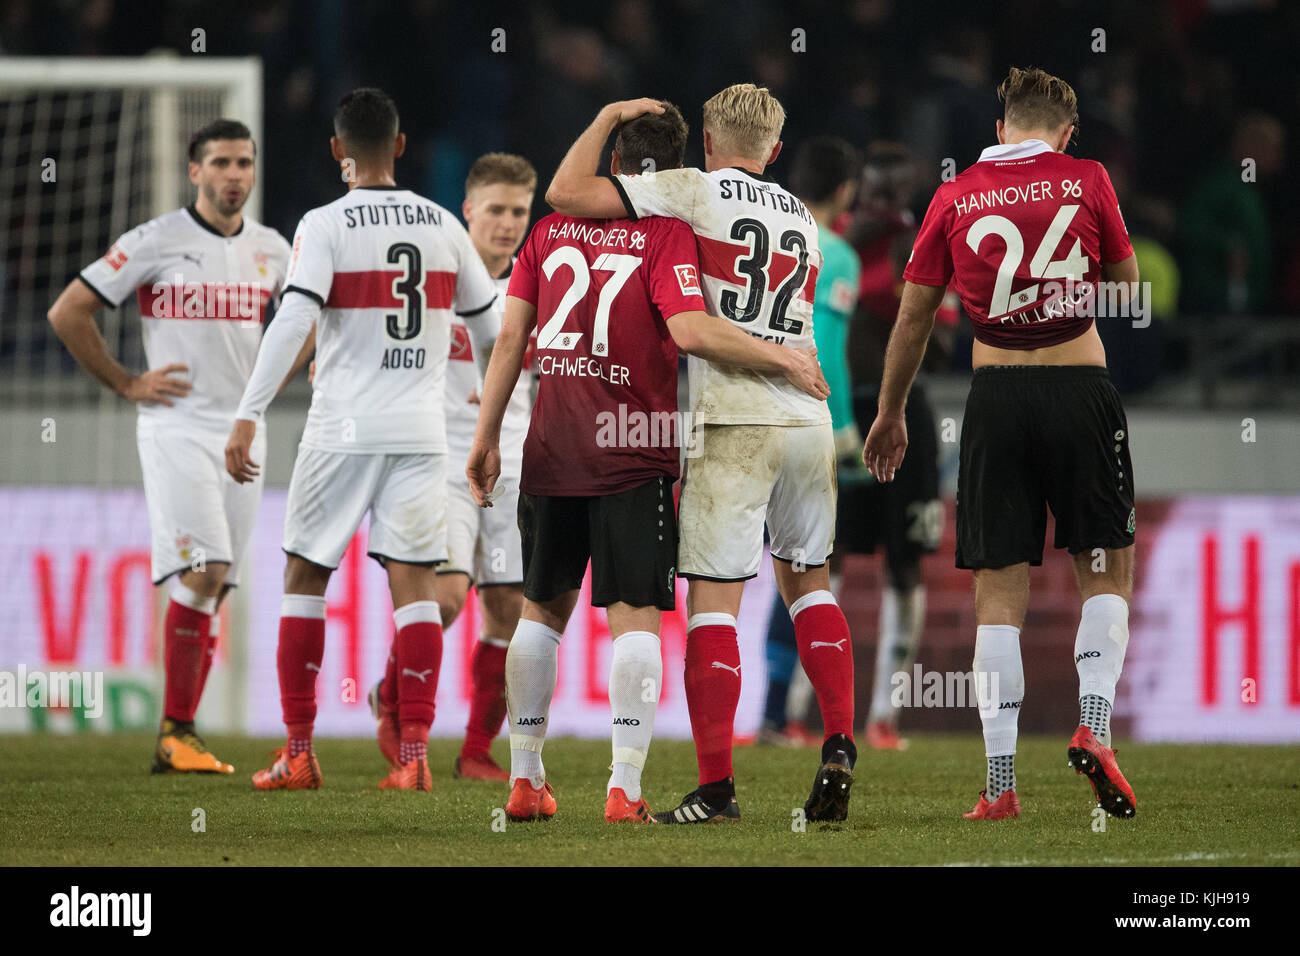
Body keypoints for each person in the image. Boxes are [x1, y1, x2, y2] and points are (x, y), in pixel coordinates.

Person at [466, 101, 828, 823]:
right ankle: (624, 788)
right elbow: (692, 330)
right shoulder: (667, 234)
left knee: (540, 612)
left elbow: (511, 341)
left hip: (550, 446)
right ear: (675, 165)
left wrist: (484, 437)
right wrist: (781, 359)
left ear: (613, 161)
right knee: (635, 619)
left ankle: (526, 780)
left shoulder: (545, 232)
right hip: (633, 448)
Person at [863, 66, 1140, 821]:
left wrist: (891, 413)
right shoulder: (1087, 177)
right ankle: (1094, 723)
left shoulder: (954, 196)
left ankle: (998, 786)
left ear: (1000, 129)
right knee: (1105, 565)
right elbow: (1125, 279)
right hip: (1080, 390)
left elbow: (914, 317)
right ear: (1066, 131)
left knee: (998, 589)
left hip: (995, 398)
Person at [226, 88, 499, 792]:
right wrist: (490, 409)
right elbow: (496, 327)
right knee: (414, 588)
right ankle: (413, 760)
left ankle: (298, 751)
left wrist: (249, 410)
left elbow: (294, 320)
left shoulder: (324, 223)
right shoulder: (443, 225)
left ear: (337, 151)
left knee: (304, 578)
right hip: (421, 433)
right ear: (401, 147)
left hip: (343, 428)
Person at [47, 119, 293, 775]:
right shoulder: (156, 241)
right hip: (177, 427)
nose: (234, 175)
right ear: (195, 172)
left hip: (245, 432)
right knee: (205, 570)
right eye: (220, 163)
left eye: (244, 162)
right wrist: (127, 382)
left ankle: (178, 737)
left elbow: (309, 327)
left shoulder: (274, 250)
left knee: (215, 587)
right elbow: (68, 312)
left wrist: (274, 387)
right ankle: (177, 729)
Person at [367, 152, 539, 783]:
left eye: (520, 211)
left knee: (510, 606)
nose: (508, 223)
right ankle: (393, 696)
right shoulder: (434, 283)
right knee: (443, 599)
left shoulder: (539, 286)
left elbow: (550, 378)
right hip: (442, 456)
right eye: (495, 209)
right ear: (468, 210)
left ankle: (475, 751)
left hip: (516, 461)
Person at [838, 142, 957, 750]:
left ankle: (885, 714)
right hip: (838, 413)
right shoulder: (826, 242)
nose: (882, 202)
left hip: (908, 415)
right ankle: (807, 714)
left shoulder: (923, 245)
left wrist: (894, 294)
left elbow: (943, 343)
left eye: (893, 191)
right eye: (872, 190)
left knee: (904, 562)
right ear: (856, 189)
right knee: (824, 556)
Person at [755, 136, 861, 749]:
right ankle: (785, 716)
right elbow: (826, 348)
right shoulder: (835, 252)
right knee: (805, 571)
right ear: (845, 191)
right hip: (806, 421)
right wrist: (845, 429)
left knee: (754, 574)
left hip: (742, 415)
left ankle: (770, 716)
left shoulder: (765, 232)